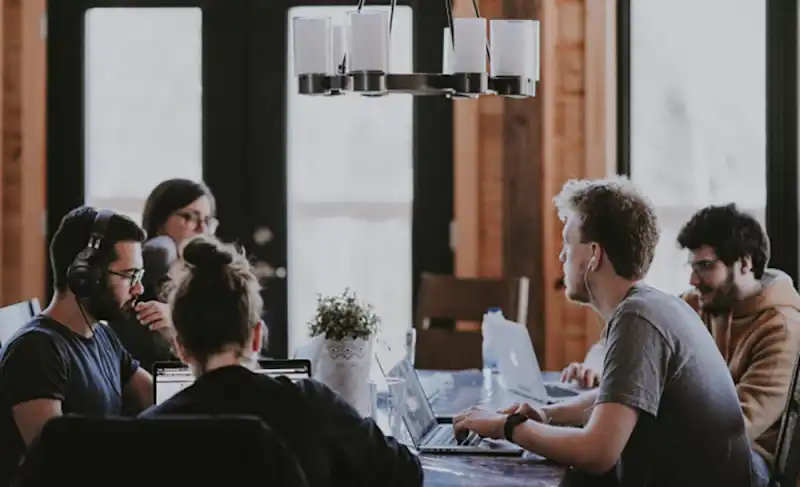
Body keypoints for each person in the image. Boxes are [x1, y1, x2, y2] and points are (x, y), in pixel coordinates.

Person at [452, 178, 758, 486]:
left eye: (567, 244)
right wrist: (547, 414)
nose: (561, 257)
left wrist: (507, 426)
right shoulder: (655, 305)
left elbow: (598, 453)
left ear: (594, 255)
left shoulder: (637, 318)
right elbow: (620, 396)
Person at [139, 234, 422, 487]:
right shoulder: (311, 404)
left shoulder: (148, 432)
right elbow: (406, 472)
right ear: (257, 336)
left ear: (180, 346)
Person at [560, 204, 800, 484]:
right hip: (691, 447)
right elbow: (630, 341)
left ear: (746, 263)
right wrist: (597, 367)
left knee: (597, 457)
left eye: (706, 266)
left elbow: (736, 428)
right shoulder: (696, 302)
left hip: (746, 463)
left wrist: (624, 410)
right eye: (692, 266)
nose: (693, 279)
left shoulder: (782, 328)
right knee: (583, 462)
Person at [0, 207, 172, 482]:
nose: (138, 290)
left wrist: (178, 336)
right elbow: (54, 463)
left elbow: (164, 401)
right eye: (129, 276)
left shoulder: (102, 336)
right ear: (84, 276)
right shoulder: (35, 350)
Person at [110, 178, 217, 373]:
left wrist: (178, 321)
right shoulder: (148, 270)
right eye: (189, 217)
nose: (202, 229)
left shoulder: (213, 277)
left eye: (208, 221)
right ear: (160, 224)